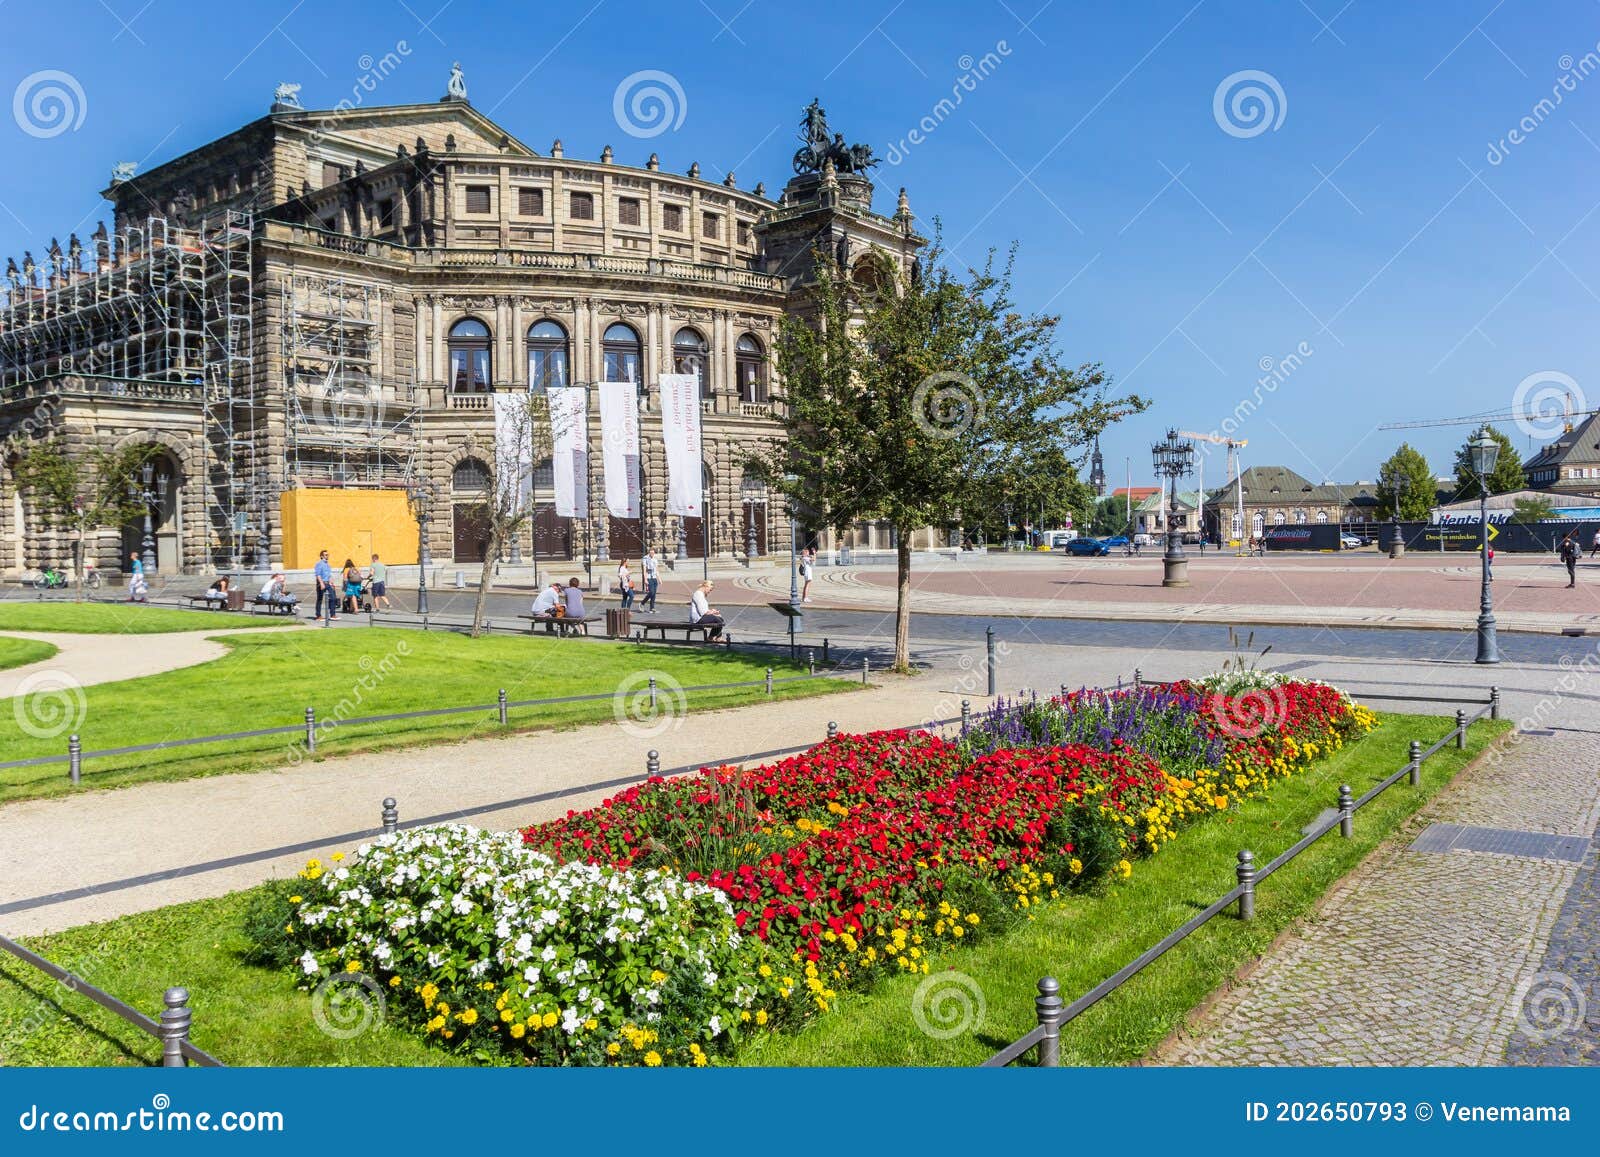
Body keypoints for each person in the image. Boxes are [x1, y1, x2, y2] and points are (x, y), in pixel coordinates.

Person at [313, 549, 337, 621]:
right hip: (321, 583)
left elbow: (329, 575)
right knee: (320, 599)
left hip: (328, 583)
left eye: (328, 555)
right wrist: (321, 583)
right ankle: (318, 615)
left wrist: (331, 582)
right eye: (326, 555)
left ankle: (332, 614)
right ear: (321, 556)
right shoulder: (319, 564)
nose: (327, 556)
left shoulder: (328, 564)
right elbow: (318, 575)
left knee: (333, 598)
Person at [641, 548, 659, 612]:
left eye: (653, 553)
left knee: (654, 593)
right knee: (651, 592)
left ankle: (652, 607)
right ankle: (642, 603)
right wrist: (645, 579)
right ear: (649, 552)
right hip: (649, 577)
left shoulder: (655, 559)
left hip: (654, 577)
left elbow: (656, 570)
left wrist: (659, 579)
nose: (652, 554)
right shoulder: (645, 558)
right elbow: (644, 570)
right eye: (651, 553)